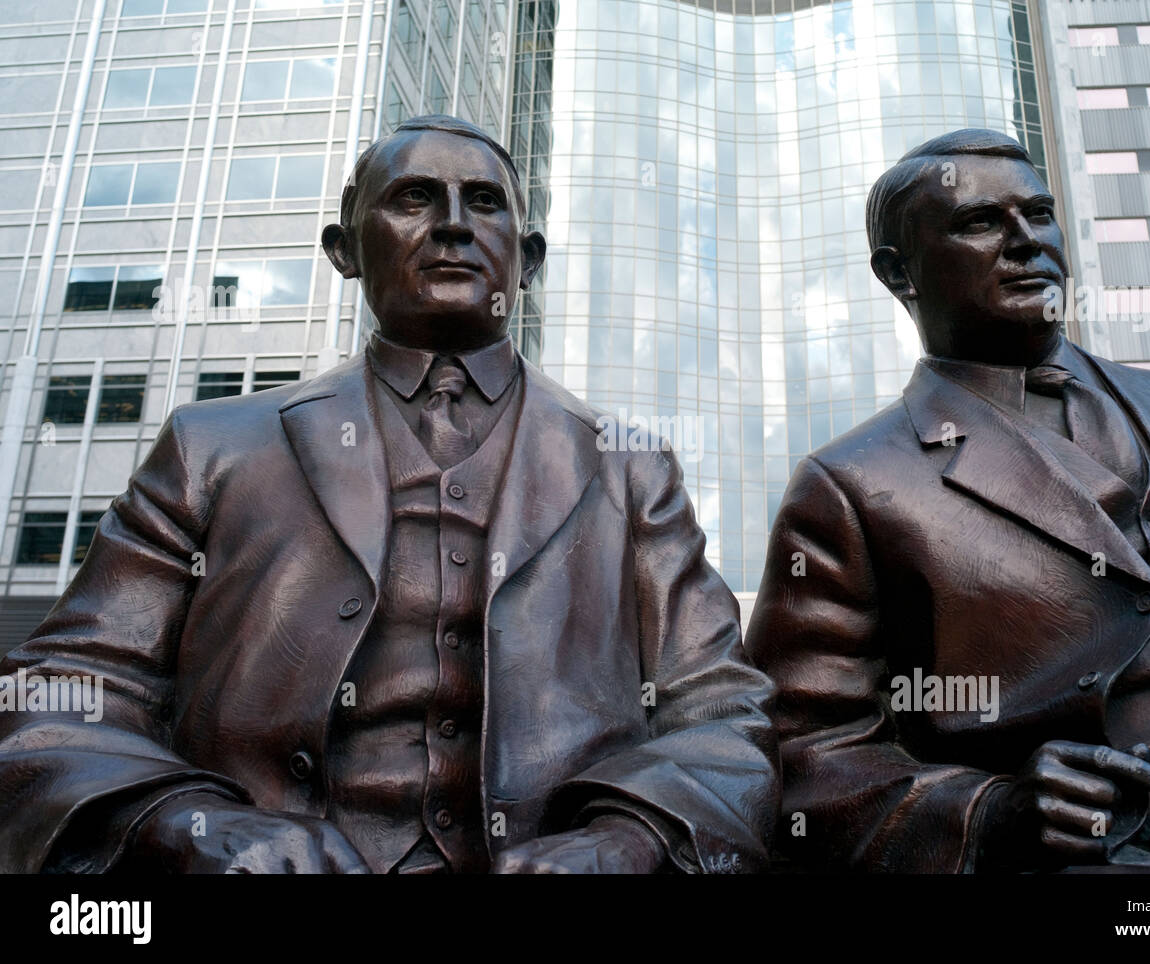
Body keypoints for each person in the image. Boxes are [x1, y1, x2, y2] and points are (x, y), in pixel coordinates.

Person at [0, 115, 778, 875]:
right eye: (412, 199)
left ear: (527, 259)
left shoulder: (629, 468)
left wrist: (625, 842)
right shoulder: (214, 448)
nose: (450, 226)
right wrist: (195, 831)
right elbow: (65, 691)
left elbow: (719, 710)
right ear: (345, 250)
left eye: (483, 201)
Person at [747, 128, 1150, 873]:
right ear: (897, 272)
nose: (1026, 241)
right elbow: (803, 758)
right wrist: (991, 815)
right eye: (980, 223)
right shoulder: (850, 485)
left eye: (1038, 215)